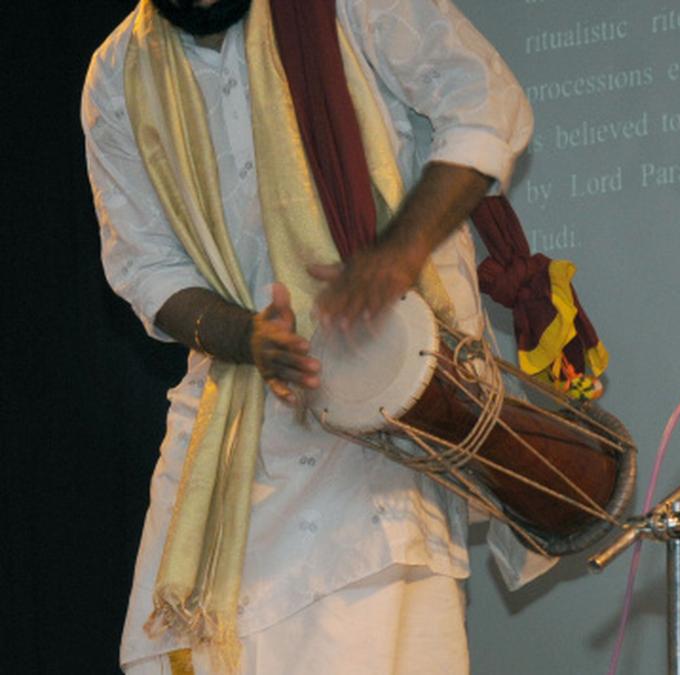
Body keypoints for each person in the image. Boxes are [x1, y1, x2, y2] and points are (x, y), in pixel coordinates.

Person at [82, 0, 542, 672]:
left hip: (386, 416)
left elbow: (483, 101)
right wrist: (246, 336)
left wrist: (398, 252)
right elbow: (144, 264)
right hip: (231, 422)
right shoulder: (117, 70)